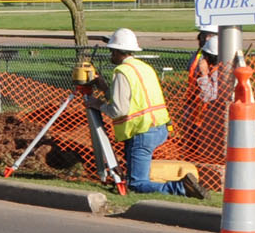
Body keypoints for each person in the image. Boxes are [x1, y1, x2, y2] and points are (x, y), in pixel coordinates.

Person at [86, 28, 203, 196]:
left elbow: (118, 110)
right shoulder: (144, 68)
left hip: (142, 131)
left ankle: (181, 188)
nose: (110, 54)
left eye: (111, 50)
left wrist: (98, 105)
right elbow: (133, 99)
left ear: (117, 51)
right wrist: (105, 89)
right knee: (133, 172)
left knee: (137, 183)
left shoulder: (122, 71)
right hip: (158, 128)